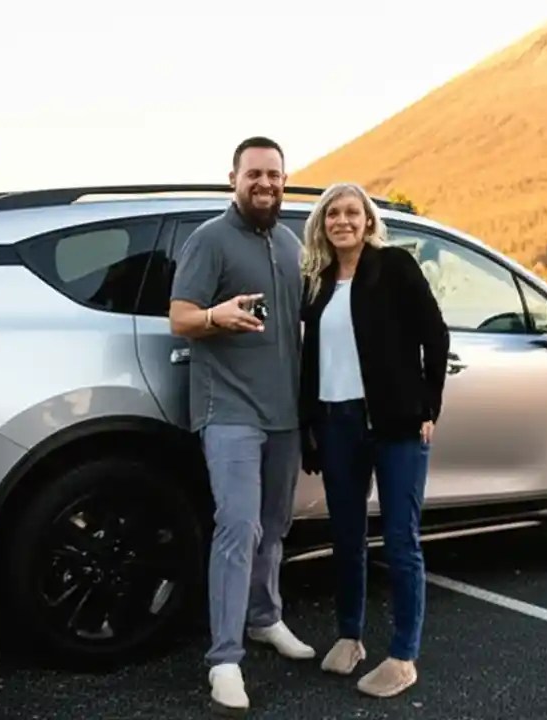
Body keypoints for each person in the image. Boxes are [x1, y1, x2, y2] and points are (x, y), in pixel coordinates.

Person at [169, 136, 315, 714]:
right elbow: (180, 319)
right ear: (233, 177)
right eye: (254, 173)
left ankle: (265, 619)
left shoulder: (288, 242)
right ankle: (224, 660)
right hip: (227, 410)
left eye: (274, 174)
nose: (266, 183)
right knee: (238, 527)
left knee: (275, 526)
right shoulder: (208, 240)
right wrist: (214, 316)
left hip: (284, 413)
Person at [298, 182, 449, 698]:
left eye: (352, 212)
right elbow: (311, 360)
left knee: (402, 540)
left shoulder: (395, 268)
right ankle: (350, 636)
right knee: (346, 536)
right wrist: (308, 428)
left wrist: (429, 405)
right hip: (335, 423)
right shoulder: (316, 284)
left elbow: (436, 336)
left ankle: (404, 656)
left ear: (367, 221)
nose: (342, 220)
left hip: (395, 422)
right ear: (322, 224)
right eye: (333, 213)